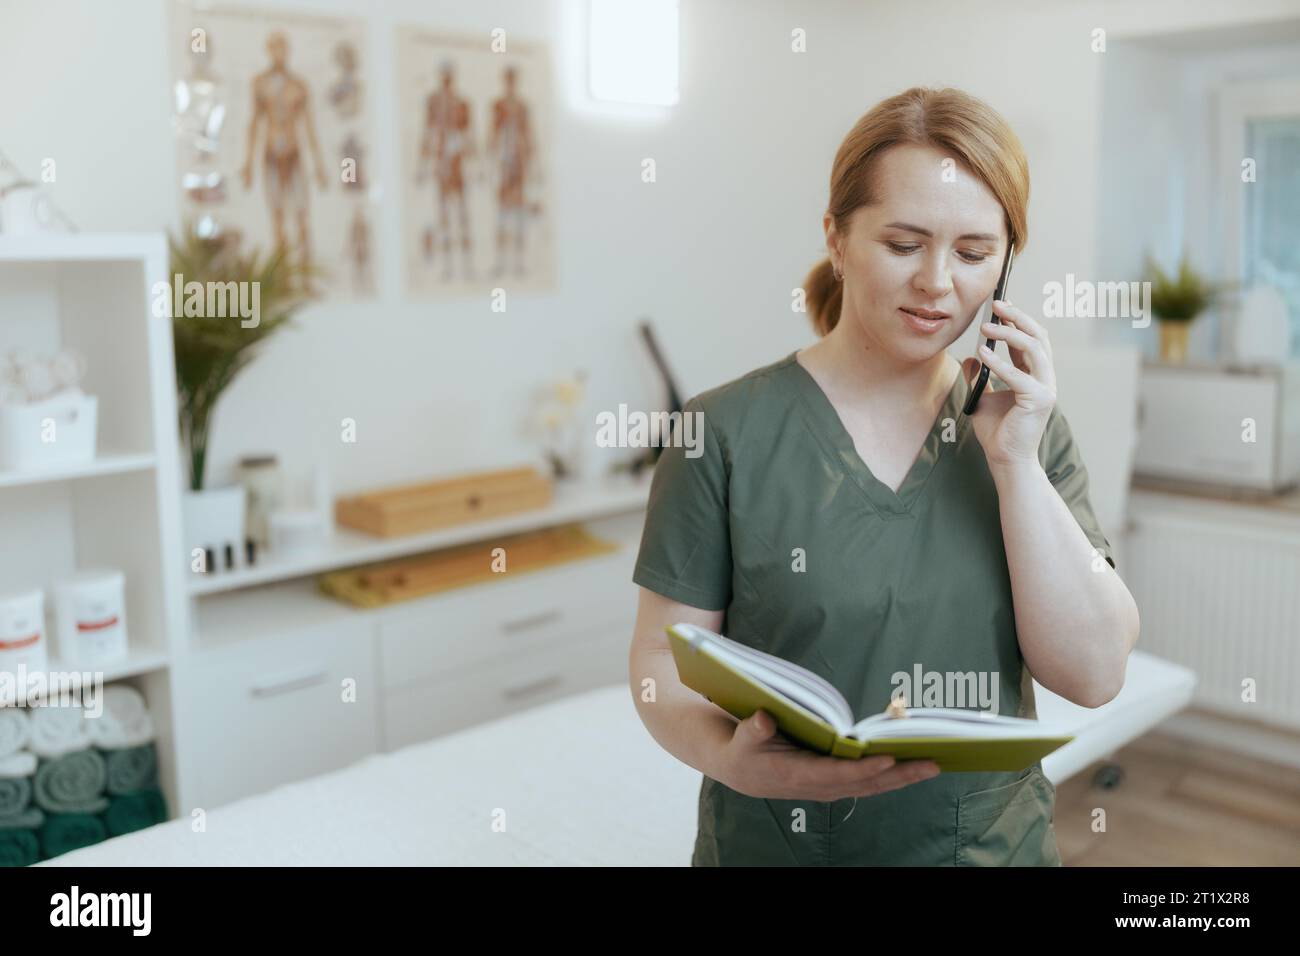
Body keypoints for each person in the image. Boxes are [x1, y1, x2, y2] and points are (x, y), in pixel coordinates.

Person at [628, 86, 1141, 866]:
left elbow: (1096, 675)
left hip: (987, 850)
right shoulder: (720, 434)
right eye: (904, 244)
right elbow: (662, 665)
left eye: (974, 253)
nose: (938, 282)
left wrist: (1014, 465)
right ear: (836, 238)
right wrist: (724, 757)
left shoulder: (1024, 435)